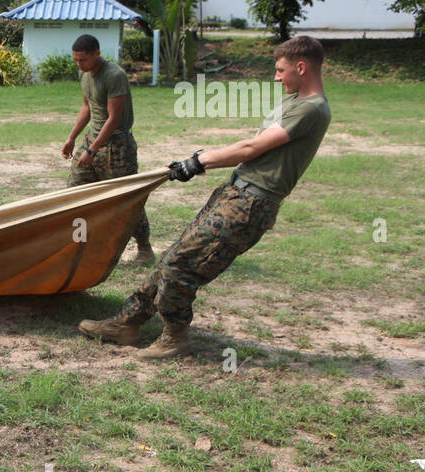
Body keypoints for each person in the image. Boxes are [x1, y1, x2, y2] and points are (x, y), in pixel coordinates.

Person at [79, 36, 331, 359]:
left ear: (301, 67)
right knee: (172, 256)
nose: (277, 77)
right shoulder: (292, 100)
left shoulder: (312, 109)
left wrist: (199, 161)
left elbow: (254, 149)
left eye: (281, 71)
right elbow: (253, 142)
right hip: (235, 190)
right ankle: (127, 323)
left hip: (251, 205)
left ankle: (175, 336)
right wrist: (201, 159)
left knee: (181, 267)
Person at [60, 34, 154, 264]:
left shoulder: (114, 75)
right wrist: (72, 138)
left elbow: (114, 119)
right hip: (92, 139)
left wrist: (92, 151)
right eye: (76, 60)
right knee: (76, 193)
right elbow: (87, 107)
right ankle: (79, 244)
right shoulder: (84, 74)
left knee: (125, 200)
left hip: (117, 147)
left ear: (97, 54)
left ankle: (144, 249)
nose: (79, 65)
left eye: (83, 60)